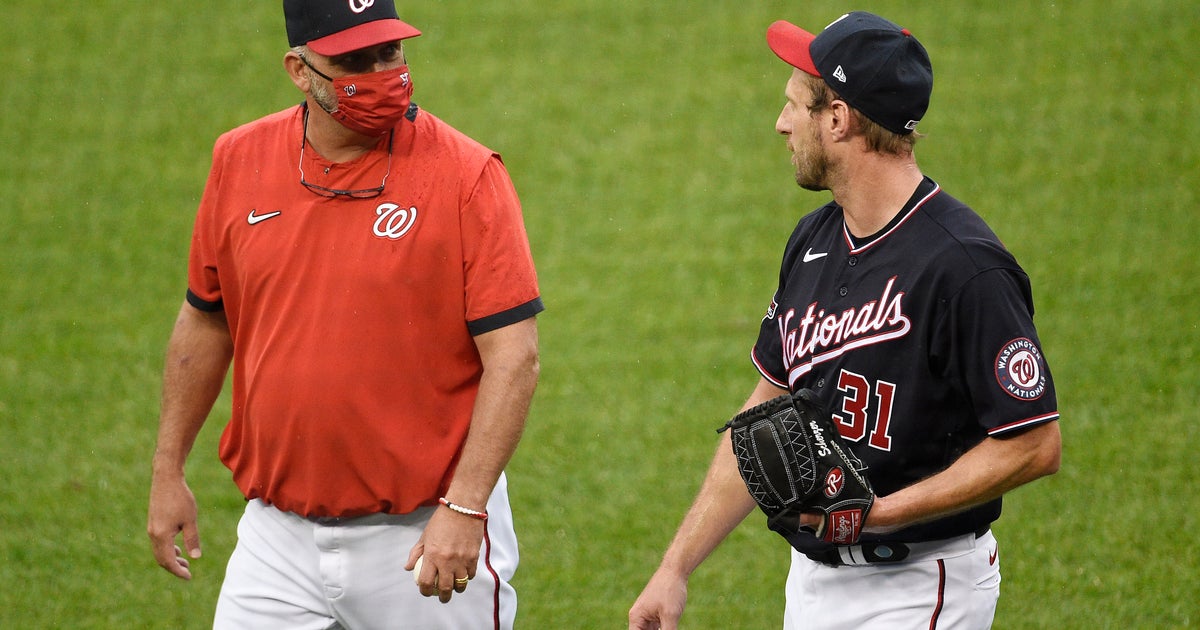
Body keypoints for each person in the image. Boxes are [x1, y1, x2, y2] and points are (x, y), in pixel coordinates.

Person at [629, 11, 1061, 630]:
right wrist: (674, 569)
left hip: (920, 584)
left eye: (794, 106)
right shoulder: (813, 240)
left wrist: (879, 513)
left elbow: (1034, 444)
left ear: (838, 119)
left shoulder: (964, 270)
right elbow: (762, 418)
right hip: (811, 585)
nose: (780, 123)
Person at [146, 0, 542, 627]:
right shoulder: (239, 160)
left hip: (420, 536)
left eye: (389, 52)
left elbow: (514, 357)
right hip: (276, 539)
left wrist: (465, 509)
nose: (382, 73)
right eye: (354, 60)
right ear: (300, 70)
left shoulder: (468, 176)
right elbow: (205, 318)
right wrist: (168, 468)